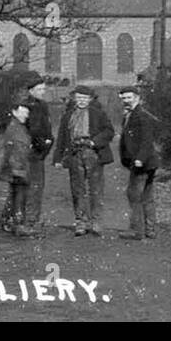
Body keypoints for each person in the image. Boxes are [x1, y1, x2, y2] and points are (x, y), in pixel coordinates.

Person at [53, 85, 115, 236]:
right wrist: (58, 158)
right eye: (78, 98)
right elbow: (61, 137)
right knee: (77, 189)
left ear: (90, 99)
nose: (81, 101)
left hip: (93, 153)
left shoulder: (98, 114)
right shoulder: (68, 115)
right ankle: (81, 222)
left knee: (96, 189)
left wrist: (94, 142)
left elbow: (109, 131)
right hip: (74, 154)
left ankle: (96, 222)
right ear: (74, 98)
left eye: (84, 98)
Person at [117, 87, 160, 241]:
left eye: (129, 98)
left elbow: (147, 140)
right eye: (123, 98)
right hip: (146, 162)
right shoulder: (130, 115)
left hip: (143, 162)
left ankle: (137, 230)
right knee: (147, 196)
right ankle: (150, 229)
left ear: (137, 98)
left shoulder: (141, 116)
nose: (126, 101)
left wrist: (140, 158)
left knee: (134, 195)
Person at [18, 71, 53, 230]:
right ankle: (28, 221)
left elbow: (47, 128)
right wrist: (41, 144)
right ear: (31, 90)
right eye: (39, 90)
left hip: (38, 151)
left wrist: (48, 143)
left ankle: (32, 219)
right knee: (31, 186)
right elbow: (31, 130)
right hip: (29, 151)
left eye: (43, 90)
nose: (42, 92)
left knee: (37, 186)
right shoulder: (26, 106)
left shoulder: (42, 105)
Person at [0, 95, 35, 237]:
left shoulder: (16, 126)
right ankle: (18, 225)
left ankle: (8, 222)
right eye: (23, 111)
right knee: (20, 196)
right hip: (17, 168)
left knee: (15, 195)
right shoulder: (16, 129)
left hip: (16, 168)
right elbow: (15, 151)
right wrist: (18, 170)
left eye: (27, 111)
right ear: (14, 112)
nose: (26, 114)